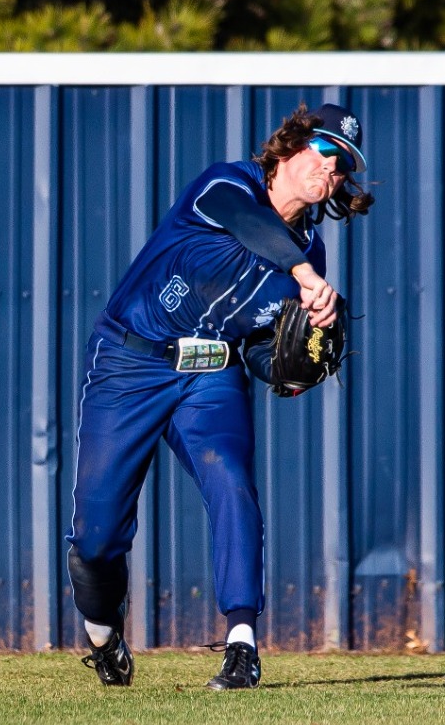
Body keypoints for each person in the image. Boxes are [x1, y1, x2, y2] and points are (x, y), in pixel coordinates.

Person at [68, 103, 374, 690]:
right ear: (290, 146)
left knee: (231, 482)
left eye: (343, 166)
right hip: (131, 360)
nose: (332, 171)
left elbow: (258, 343)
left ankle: (242, 645)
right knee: (96, 537)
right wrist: (305, 278)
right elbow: (248, 223)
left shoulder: (310, 252)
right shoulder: (225, 185)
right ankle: (103, 635)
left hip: (211, 372)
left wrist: (289, 366)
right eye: (325, 152)